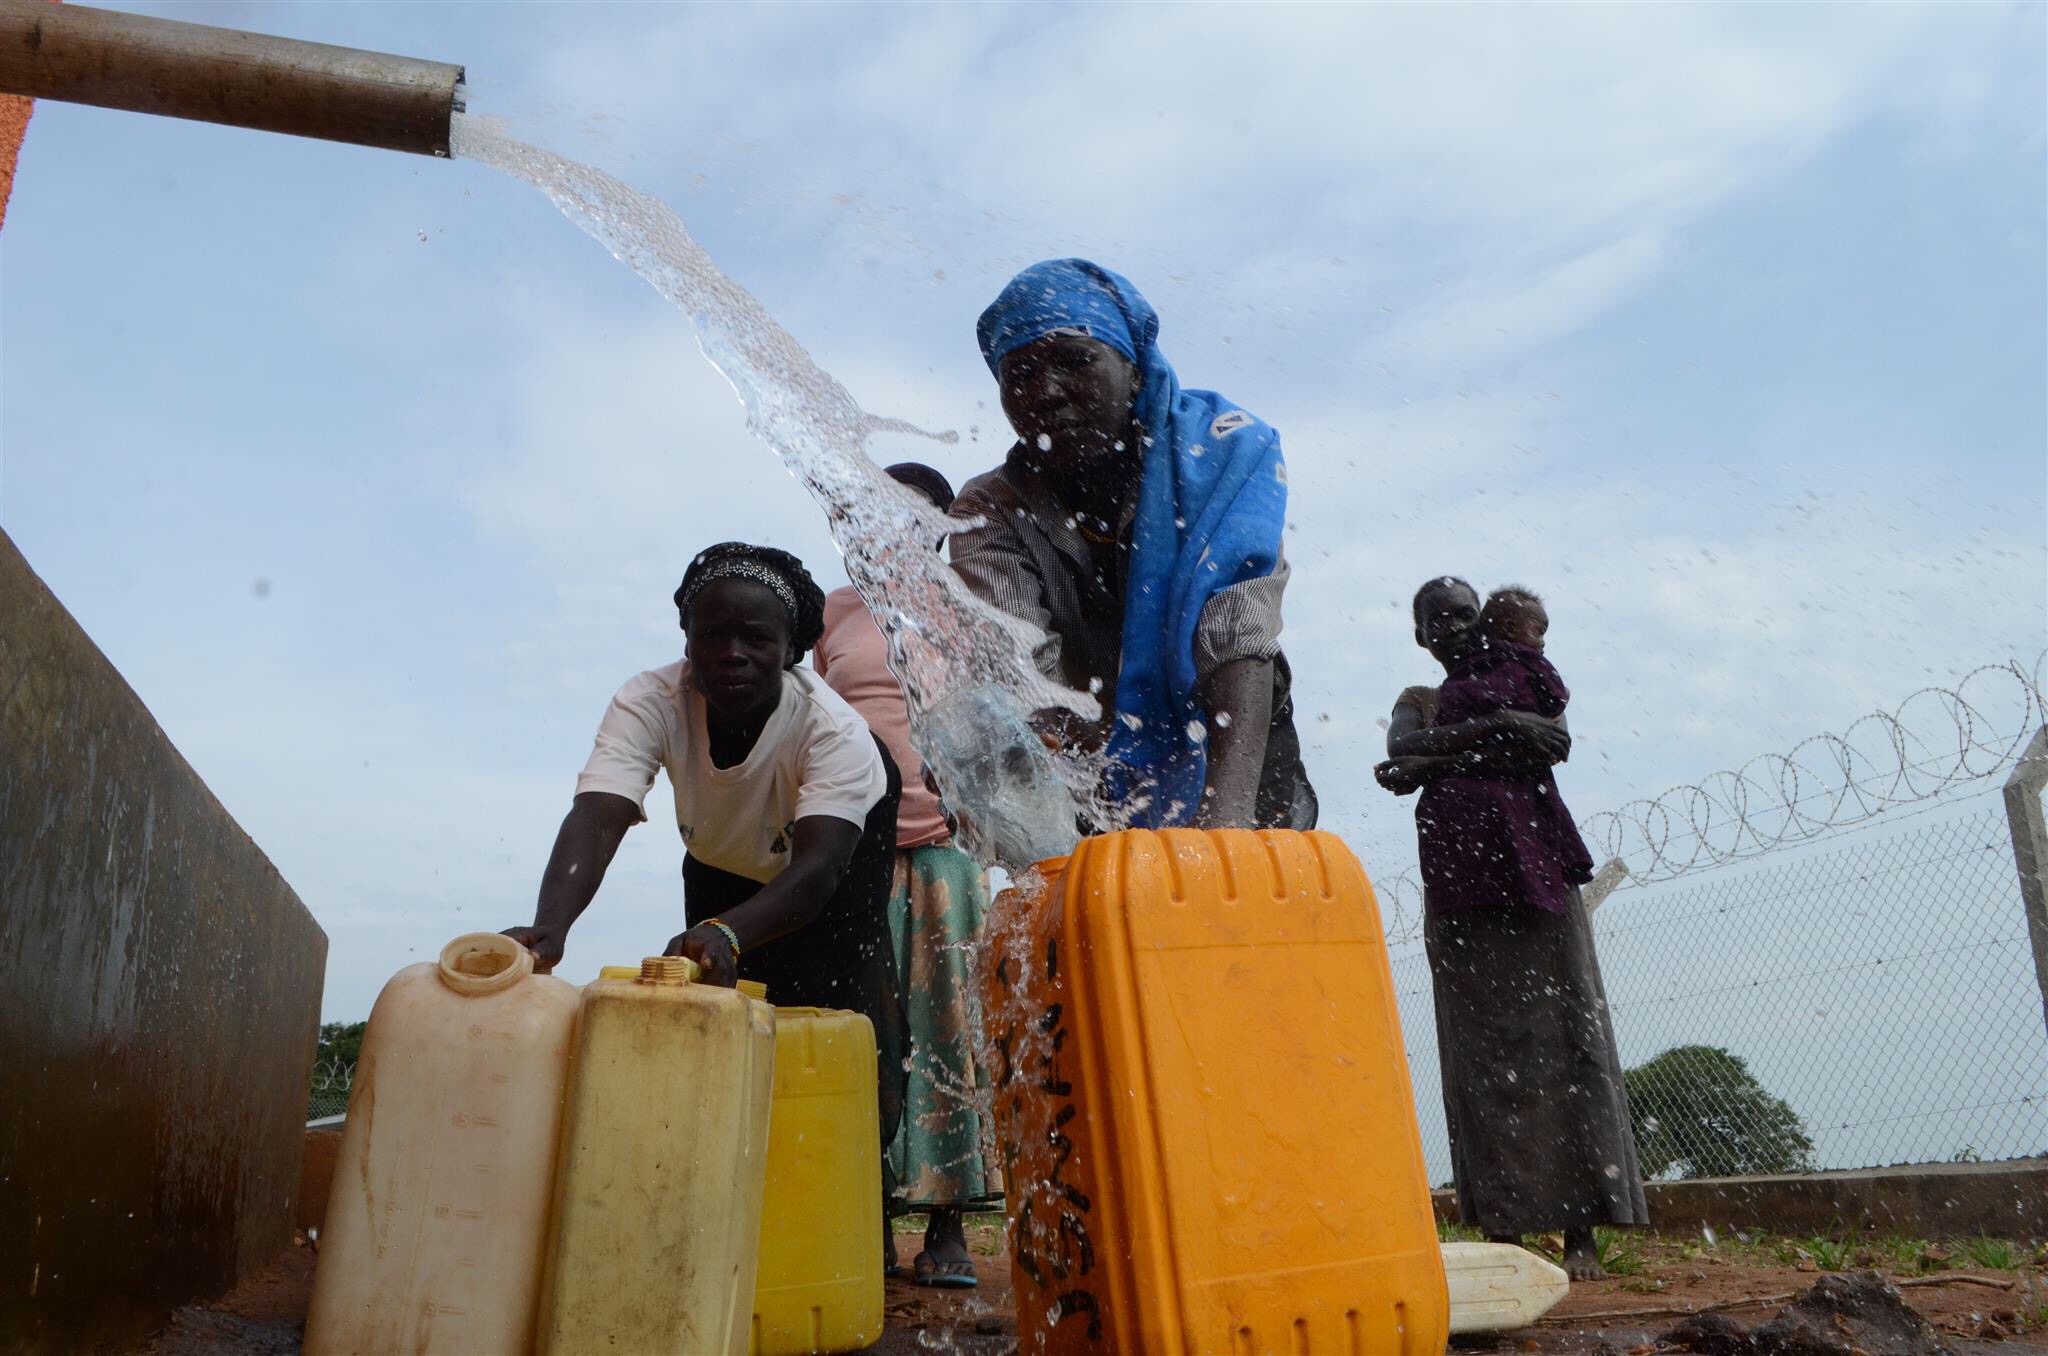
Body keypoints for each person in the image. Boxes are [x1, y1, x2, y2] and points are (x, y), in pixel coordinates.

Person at [502, 541, 908, 1212]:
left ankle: (861, 1204)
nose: (732, 653)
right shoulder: (650, 700)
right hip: (721, 856)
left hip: (832, 856)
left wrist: (731, 929)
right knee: (720, 1000)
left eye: (756, 638)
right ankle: (730, 1202)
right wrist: (550, 927)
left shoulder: (833, 731)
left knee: (842, 1017)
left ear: (791, 649)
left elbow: (816, 868)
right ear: (687, 641)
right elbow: (598, 815)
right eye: (713, 636)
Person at [950, 258, 1315, 830]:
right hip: (1089, 754)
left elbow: (1235, 635)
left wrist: (1226, 826)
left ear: (1136, 369)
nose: (1045, 392)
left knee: (1252, 876)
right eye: (1018, 374)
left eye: (1075, 360)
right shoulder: (990, 509)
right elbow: (1020, 672)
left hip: (1234, 734)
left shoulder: (1221, 452)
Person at [1374, 575, 1645, 1280]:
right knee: (1482, 1055)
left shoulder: (1523, 674)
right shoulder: (1421, 697)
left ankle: (1582, 1232)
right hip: (1459, 888)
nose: (1456, 628)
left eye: (1466, 614)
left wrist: (1441, 756)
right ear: (1421, 636)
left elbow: (1549, 744)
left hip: (1538, 875)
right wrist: (1495, 731)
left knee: (1566, 1035)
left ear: (1486, 619)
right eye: (1440, 620)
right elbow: (1401, 753)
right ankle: (1506, 1229)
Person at [814, 462, 998, 1289]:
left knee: (948, 1027)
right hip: (851, 852)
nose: (882, 525)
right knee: (860, 1031)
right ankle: (869, 1218)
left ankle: (947, 1223)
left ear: (937, 527)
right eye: (867, 510)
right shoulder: (830, 614)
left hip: (947, 851)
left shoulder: (970, 611)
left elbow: (1001, 729)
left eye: (904, 514)